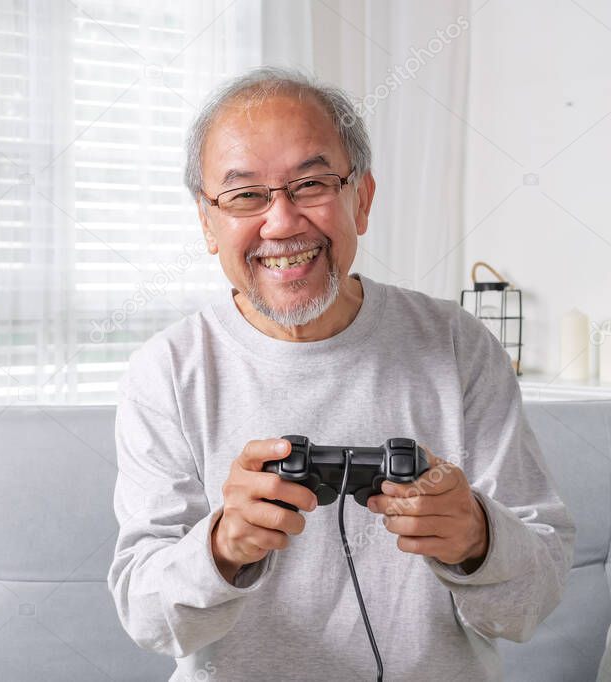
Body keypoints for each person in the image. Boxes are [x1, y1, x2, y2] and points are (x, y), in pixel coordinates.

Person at [106, 66, 575, 681]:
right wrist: (223, 548)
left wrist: (476, 539)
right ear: (206, 222)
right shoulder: (167, 371)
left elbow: (530, 604)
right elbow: (150, 621)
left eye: (311, 183)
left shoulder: (459, 347)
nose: (281, 223)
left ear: (363, 198)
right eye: (246, 195)